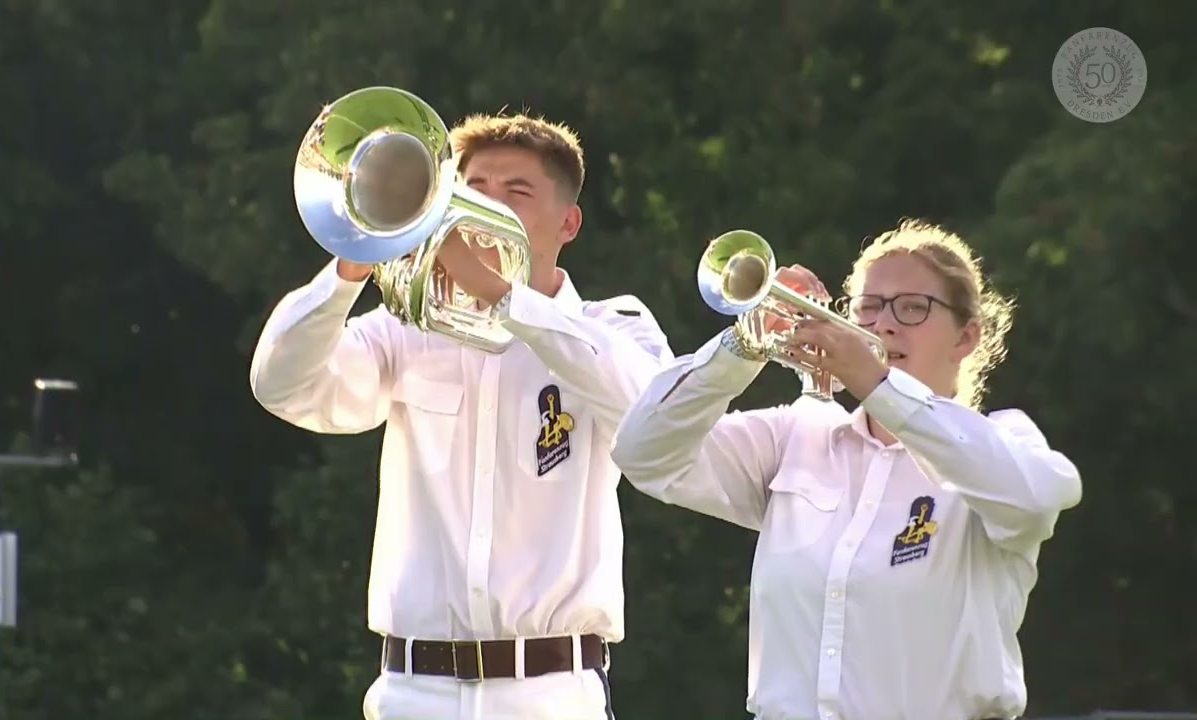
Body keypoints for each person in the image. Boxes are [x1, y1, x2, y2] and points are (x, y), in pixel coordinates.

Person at [250, 110, 673, 720]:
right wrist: (353, 262)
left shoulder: (614, 326)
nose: (488, 205)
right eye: (473, 188)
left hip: (553, 693)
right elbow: (282, 386)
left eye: (517, 192)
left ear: (568, 222)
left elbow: (657, 418)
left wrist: (502, 294)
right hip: (412, 690)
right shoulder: (406, 329)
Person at [609, 219, 1082, 720]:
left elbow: (1036, 499)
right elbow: (643, 452)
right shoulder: (797, 437)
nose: (885, 324)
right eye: (869, 306)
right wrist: (741, 347)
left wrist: (879, 385)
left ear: (967, 337)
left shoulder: (1002, 440)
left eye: (913, 308)